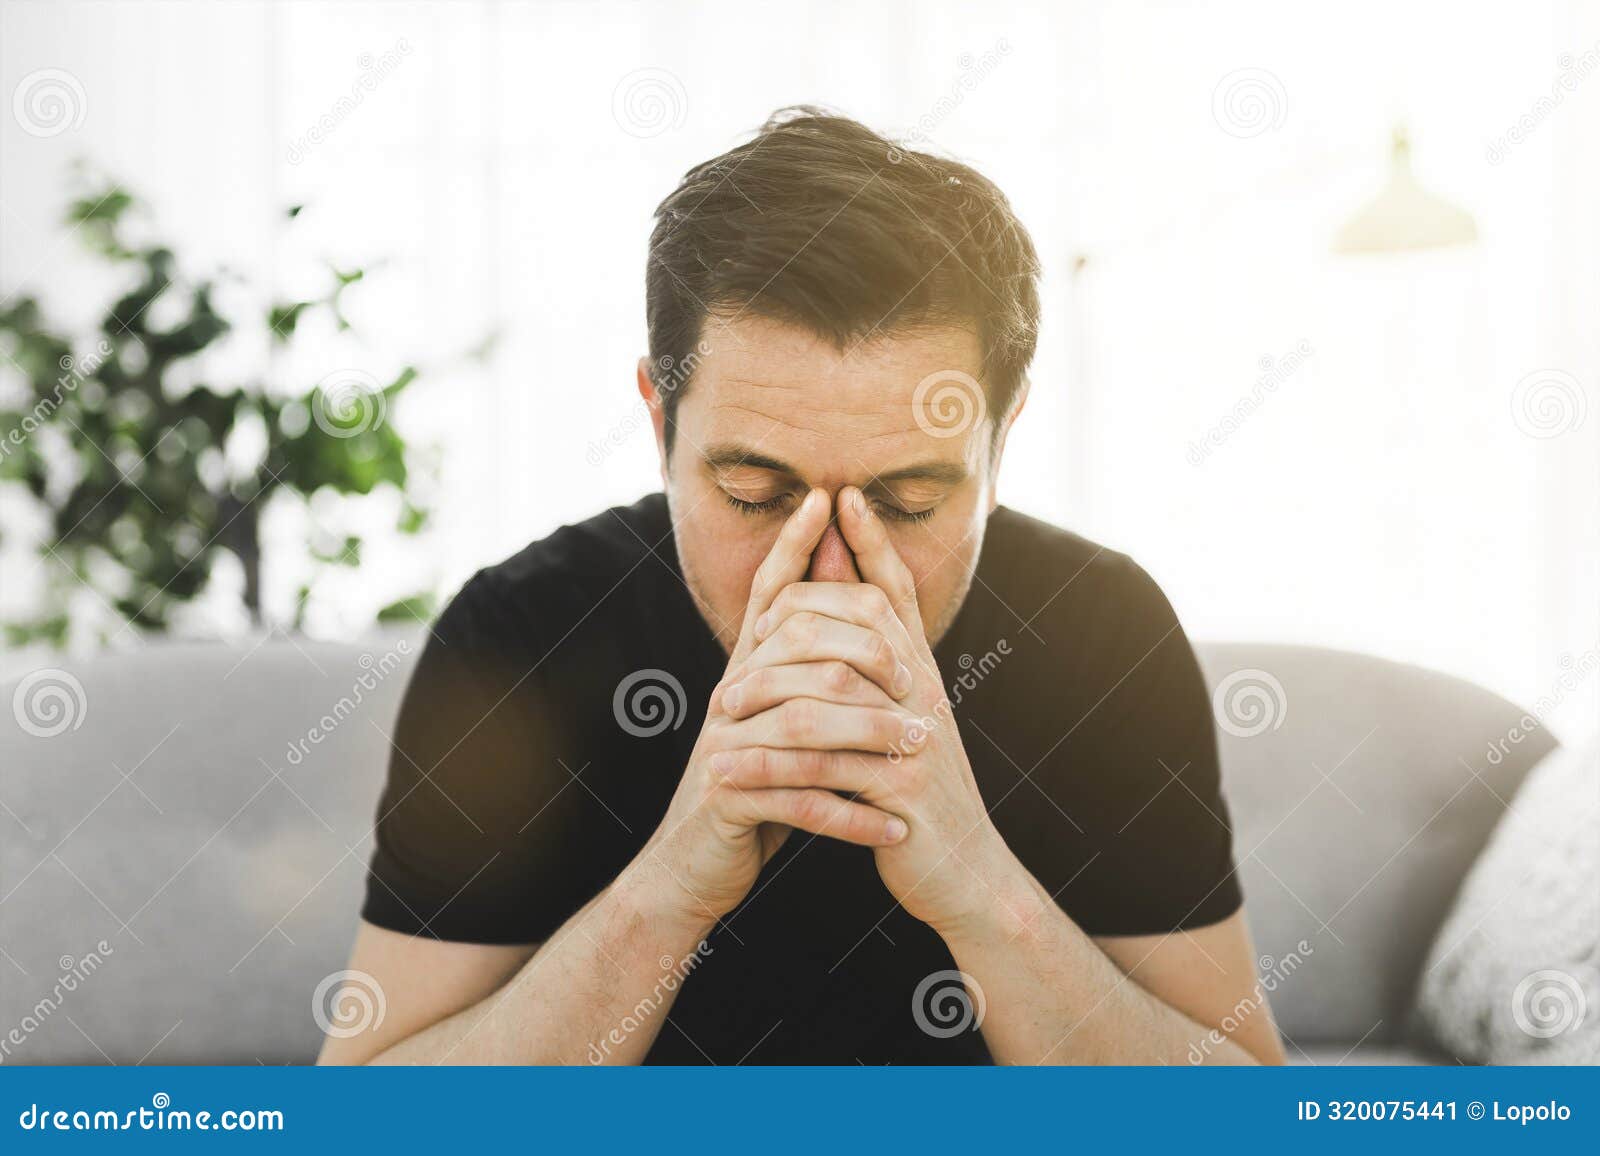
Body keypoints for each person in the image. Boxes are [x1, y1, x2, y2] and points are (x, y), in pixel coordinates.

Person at [318, 108, 1285, 1065]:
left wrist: (981, 891)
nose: (832, 574)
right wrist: (671, 889)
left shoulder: (1100, 635)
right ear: (660, 418)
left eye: (906, 503)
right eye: (755, 495)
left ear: (1002, 440)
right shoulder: (520, 634)